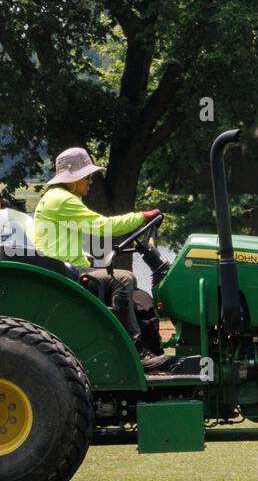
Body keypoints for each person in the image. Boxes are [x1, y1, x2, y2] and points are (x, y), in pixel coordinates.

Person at [34, 147, 173, 372]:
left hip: (65, 268)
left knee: (131, 288)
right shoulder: (62, 199)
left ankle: (147, 344)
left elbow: (59, 241)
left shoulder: (54, 198)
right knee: (124, 279)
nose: (90, 183)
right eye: (87, 177)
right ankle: (134, 351)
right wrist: (142, 217)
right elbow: (103, 226)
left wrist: (86, 257)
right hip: (65, 275)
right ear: (74, 178)